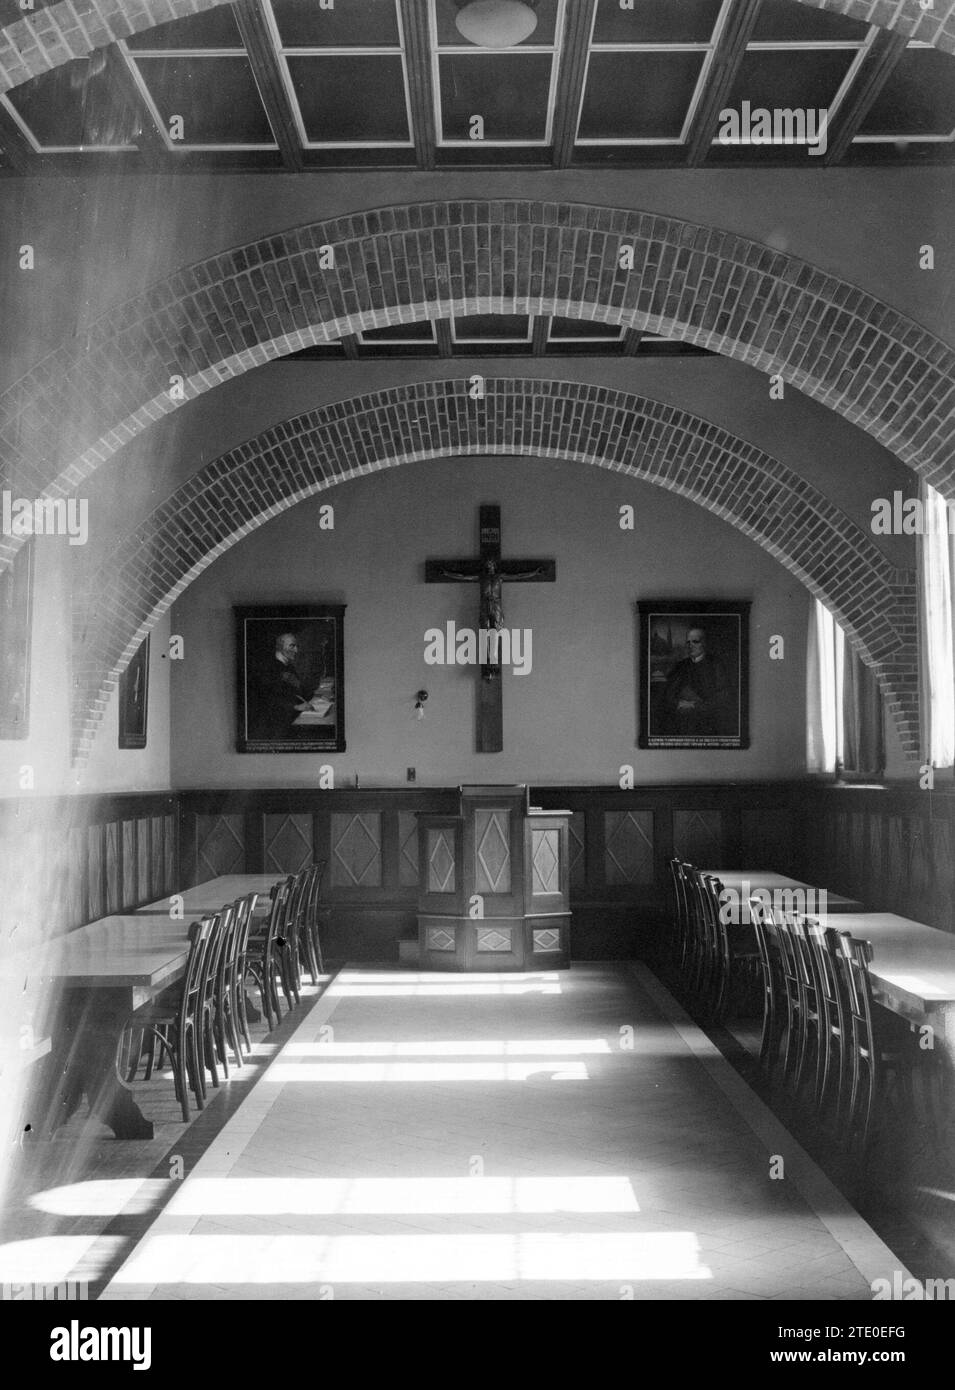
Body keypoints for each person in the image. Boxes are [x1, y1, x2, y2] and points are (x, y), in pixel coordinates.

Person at [661, 627, 733, 737]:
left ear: (704, 643)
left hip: (707, 720)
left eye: (695, 642)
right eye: (688, 642)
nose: (690, 645)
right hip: (681, 721)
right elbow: (668, 693)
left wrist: (694, 705)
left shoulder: (716, 664)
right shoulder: (680, 665)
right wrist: (677, 703)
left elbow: (724, 695)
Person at [249, 632, 319, 740]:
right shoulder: (269, 667)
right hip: (274, 725)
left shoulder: (288, 666)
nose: (296, 650)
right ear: (280, 646)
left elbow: (298, 690)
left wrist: (316, 694)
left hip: (289, 718)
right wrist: (295, 707)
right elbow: (266, 700)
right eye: (292, 646)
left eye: (296, 646)